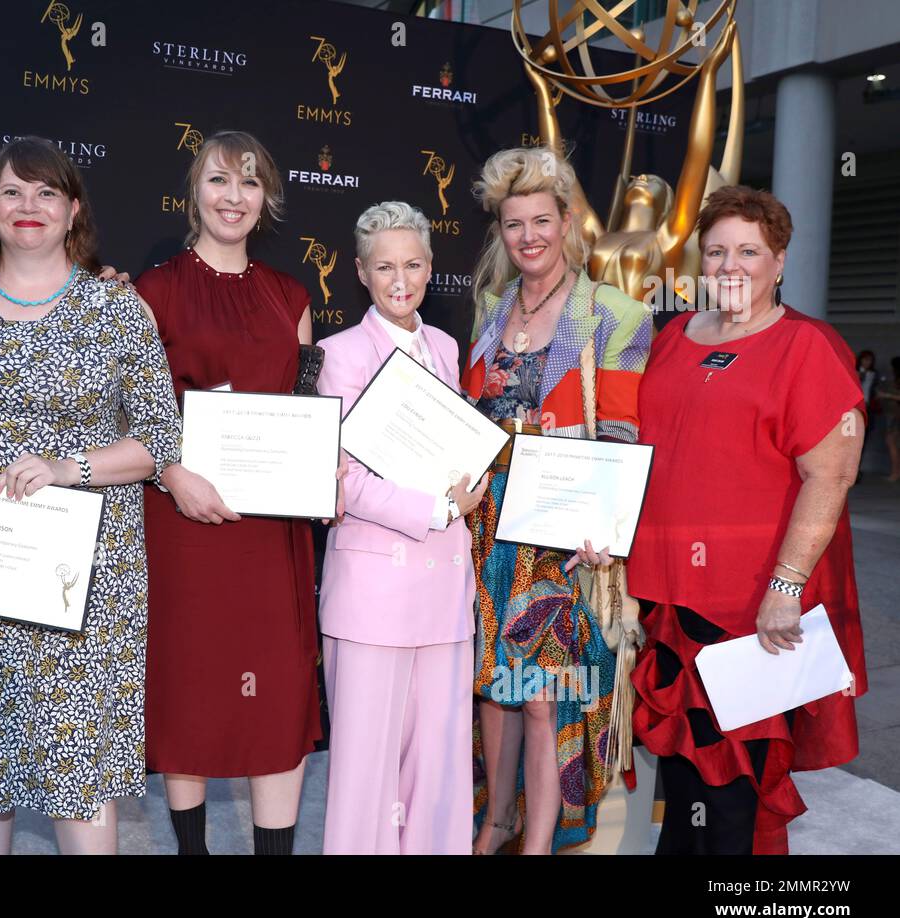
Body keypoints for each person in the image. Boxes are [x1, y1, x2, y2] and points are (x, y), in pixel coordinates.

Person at [0, 137, 181, 855]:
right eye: (12, 191)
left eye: (47, 192)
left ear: (73, 209)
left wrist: (65, 467)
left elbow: (159, 441)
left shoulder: (116, 307)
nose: (29, 206)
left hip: (79, 574)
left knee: (73, 759)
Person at [630, 185, 868, 855]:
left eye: (749, 251)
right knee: (682, 780)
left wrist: (786, 588)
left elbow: (832, 476)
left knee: (732, 791)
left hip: (750, 606)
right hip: (671, 600)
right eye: (716, 252)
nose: (729, 266)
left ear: (780, 261)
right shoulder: (674, 336)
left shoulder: (807, 346)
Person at [461, 146, 653, 854]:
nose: (529, 236)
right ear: (501, 231)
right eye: (514, 224)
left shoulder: (616, 314)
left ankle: (539, 840)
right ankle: (497, 821)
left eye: (542, 220)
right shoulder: (490, 307)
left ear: (567, 222)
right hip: (485, 525)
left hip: (560, 532)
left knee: (542, 694)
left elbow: (624, 435)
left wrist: (603, 528)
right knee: (493, 684)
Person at [136, 130, 321, 855]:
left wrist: (323, 466)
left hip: (270, 534)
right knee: (190, 688)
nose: (233, 196)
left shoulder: (291, 297)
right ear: (194, 192)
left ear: (265, 198)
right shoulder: (154, 291)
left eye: (249, 182)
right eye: (218, 180)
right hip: (183, 525)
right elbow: (134, 413)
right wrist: (172, 475)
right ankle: (193, 850)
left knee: (275, 693)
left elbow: (306, 412)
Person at [316, 201, 489, 854]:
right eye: (385, 266)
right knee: (366, 773)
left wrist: (466, 487)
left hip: (444, 590)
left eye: (413, 265)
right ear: (361, 272)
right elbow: (342, 482)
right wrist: (437, 510)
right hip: (373, 593)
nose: (400, 280)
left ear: (431, 267)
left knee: (439, 767)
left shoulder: (446, 347)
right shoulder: (338, 355)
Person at [878, 356, 900, 482]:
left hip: (895, 415)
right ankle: (896, 472)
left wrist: (886, 395)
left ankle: (895, 473)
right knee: (893, 444)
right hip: (892, 414)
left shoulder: (897, 379)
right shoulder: (895, 379)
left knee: (892, 443)